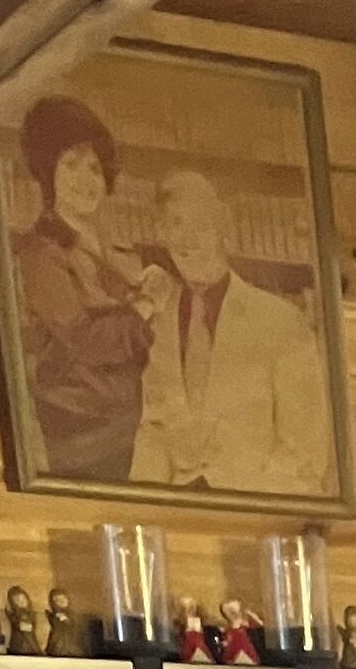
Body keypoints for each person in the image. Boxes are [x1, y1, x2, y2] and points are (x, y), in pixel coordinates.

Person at [131, 164, 333, 497]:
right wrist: (140, 505)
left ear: (222, 230)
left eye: (201, 224)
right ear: (162, 232)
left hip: (261, 508)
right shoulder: (158, 324)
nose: (187, 240)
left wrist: (230, 500)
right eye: (176, 223)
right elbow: (154, 433)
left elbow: (304, 457)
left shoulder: (281, 321)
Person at [10, 95, 152, 484]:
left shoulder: (105, 251)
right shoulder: (42, 253)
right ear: (48, 174)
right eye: (71, 165)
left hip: (122, 419)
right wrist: (141, 313)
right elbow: (82, 340)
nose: (86, 180)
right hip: (79, 425)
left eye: (94, 168)